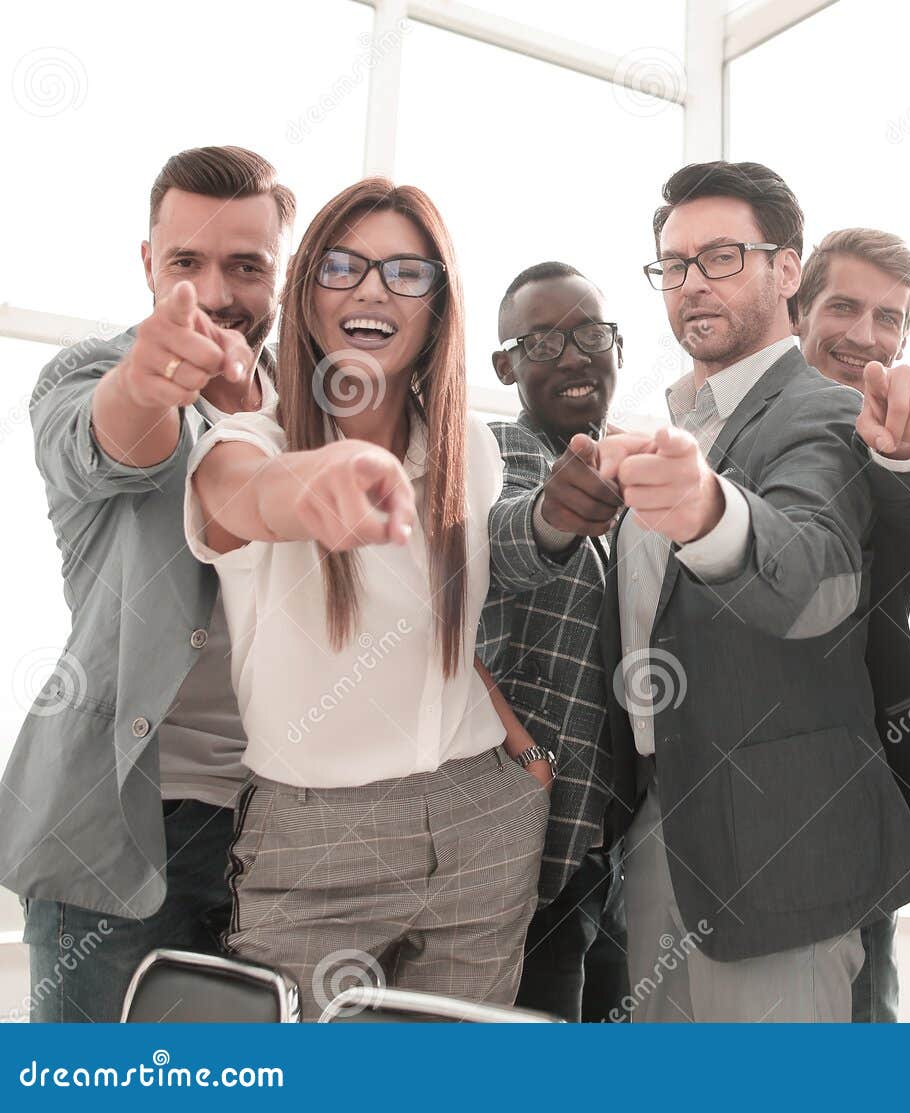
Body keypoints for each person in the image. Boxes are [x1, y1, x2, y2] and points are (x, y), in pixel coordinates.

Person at [562, 160, 910, 1021]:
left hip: (781, 844)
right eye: (675, 264)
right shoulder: (677, 421)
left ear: (786, 269)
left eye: (723, 256)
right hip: (660, 821)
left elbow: (811, 577)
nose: (694, 282)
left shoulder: (822, 410)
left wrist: (708, 510)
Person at [185, 178, 548, 1013]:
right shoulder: (248, 443)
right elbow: (249, 494)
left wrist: (526, 762)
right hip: (314, 843)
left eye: (405, 273)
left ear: (438, 309)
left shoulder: (473, 455)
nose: (373, 289)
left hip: (479, 816)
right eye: (342, 267)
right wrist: (315, 479)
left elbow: (446, 639)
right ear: (306, 297)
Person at [2, 146, 288, 1022]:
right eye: (186, 263)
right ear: (147, 265)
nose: (214, 291)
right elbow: (117, 441)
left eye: (246, 265)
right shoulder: (87, 375)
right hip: (120, 829)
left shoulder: (310, 409)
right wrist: (147, 379)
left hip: (278, 836)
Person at [793, 227, 910, 1022]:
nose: (865, 335)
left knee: (860, 1000)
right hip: (701, 773)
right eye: (843, 306)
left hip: (859, 775)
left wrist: (903, 455)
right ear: (798, 308)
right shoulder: (729, 426)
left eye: (889, 318)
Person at [482, 260, 628, 1022]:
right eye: (541, 342)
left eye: (590, 334)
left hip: (622, 850)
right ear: (505, 365)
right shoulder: (498, 450)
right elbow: (510, 532)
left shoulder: (644, 467)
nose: (573, 355)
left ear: (618, 349)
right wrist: (554, 516)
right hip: (534, 843)